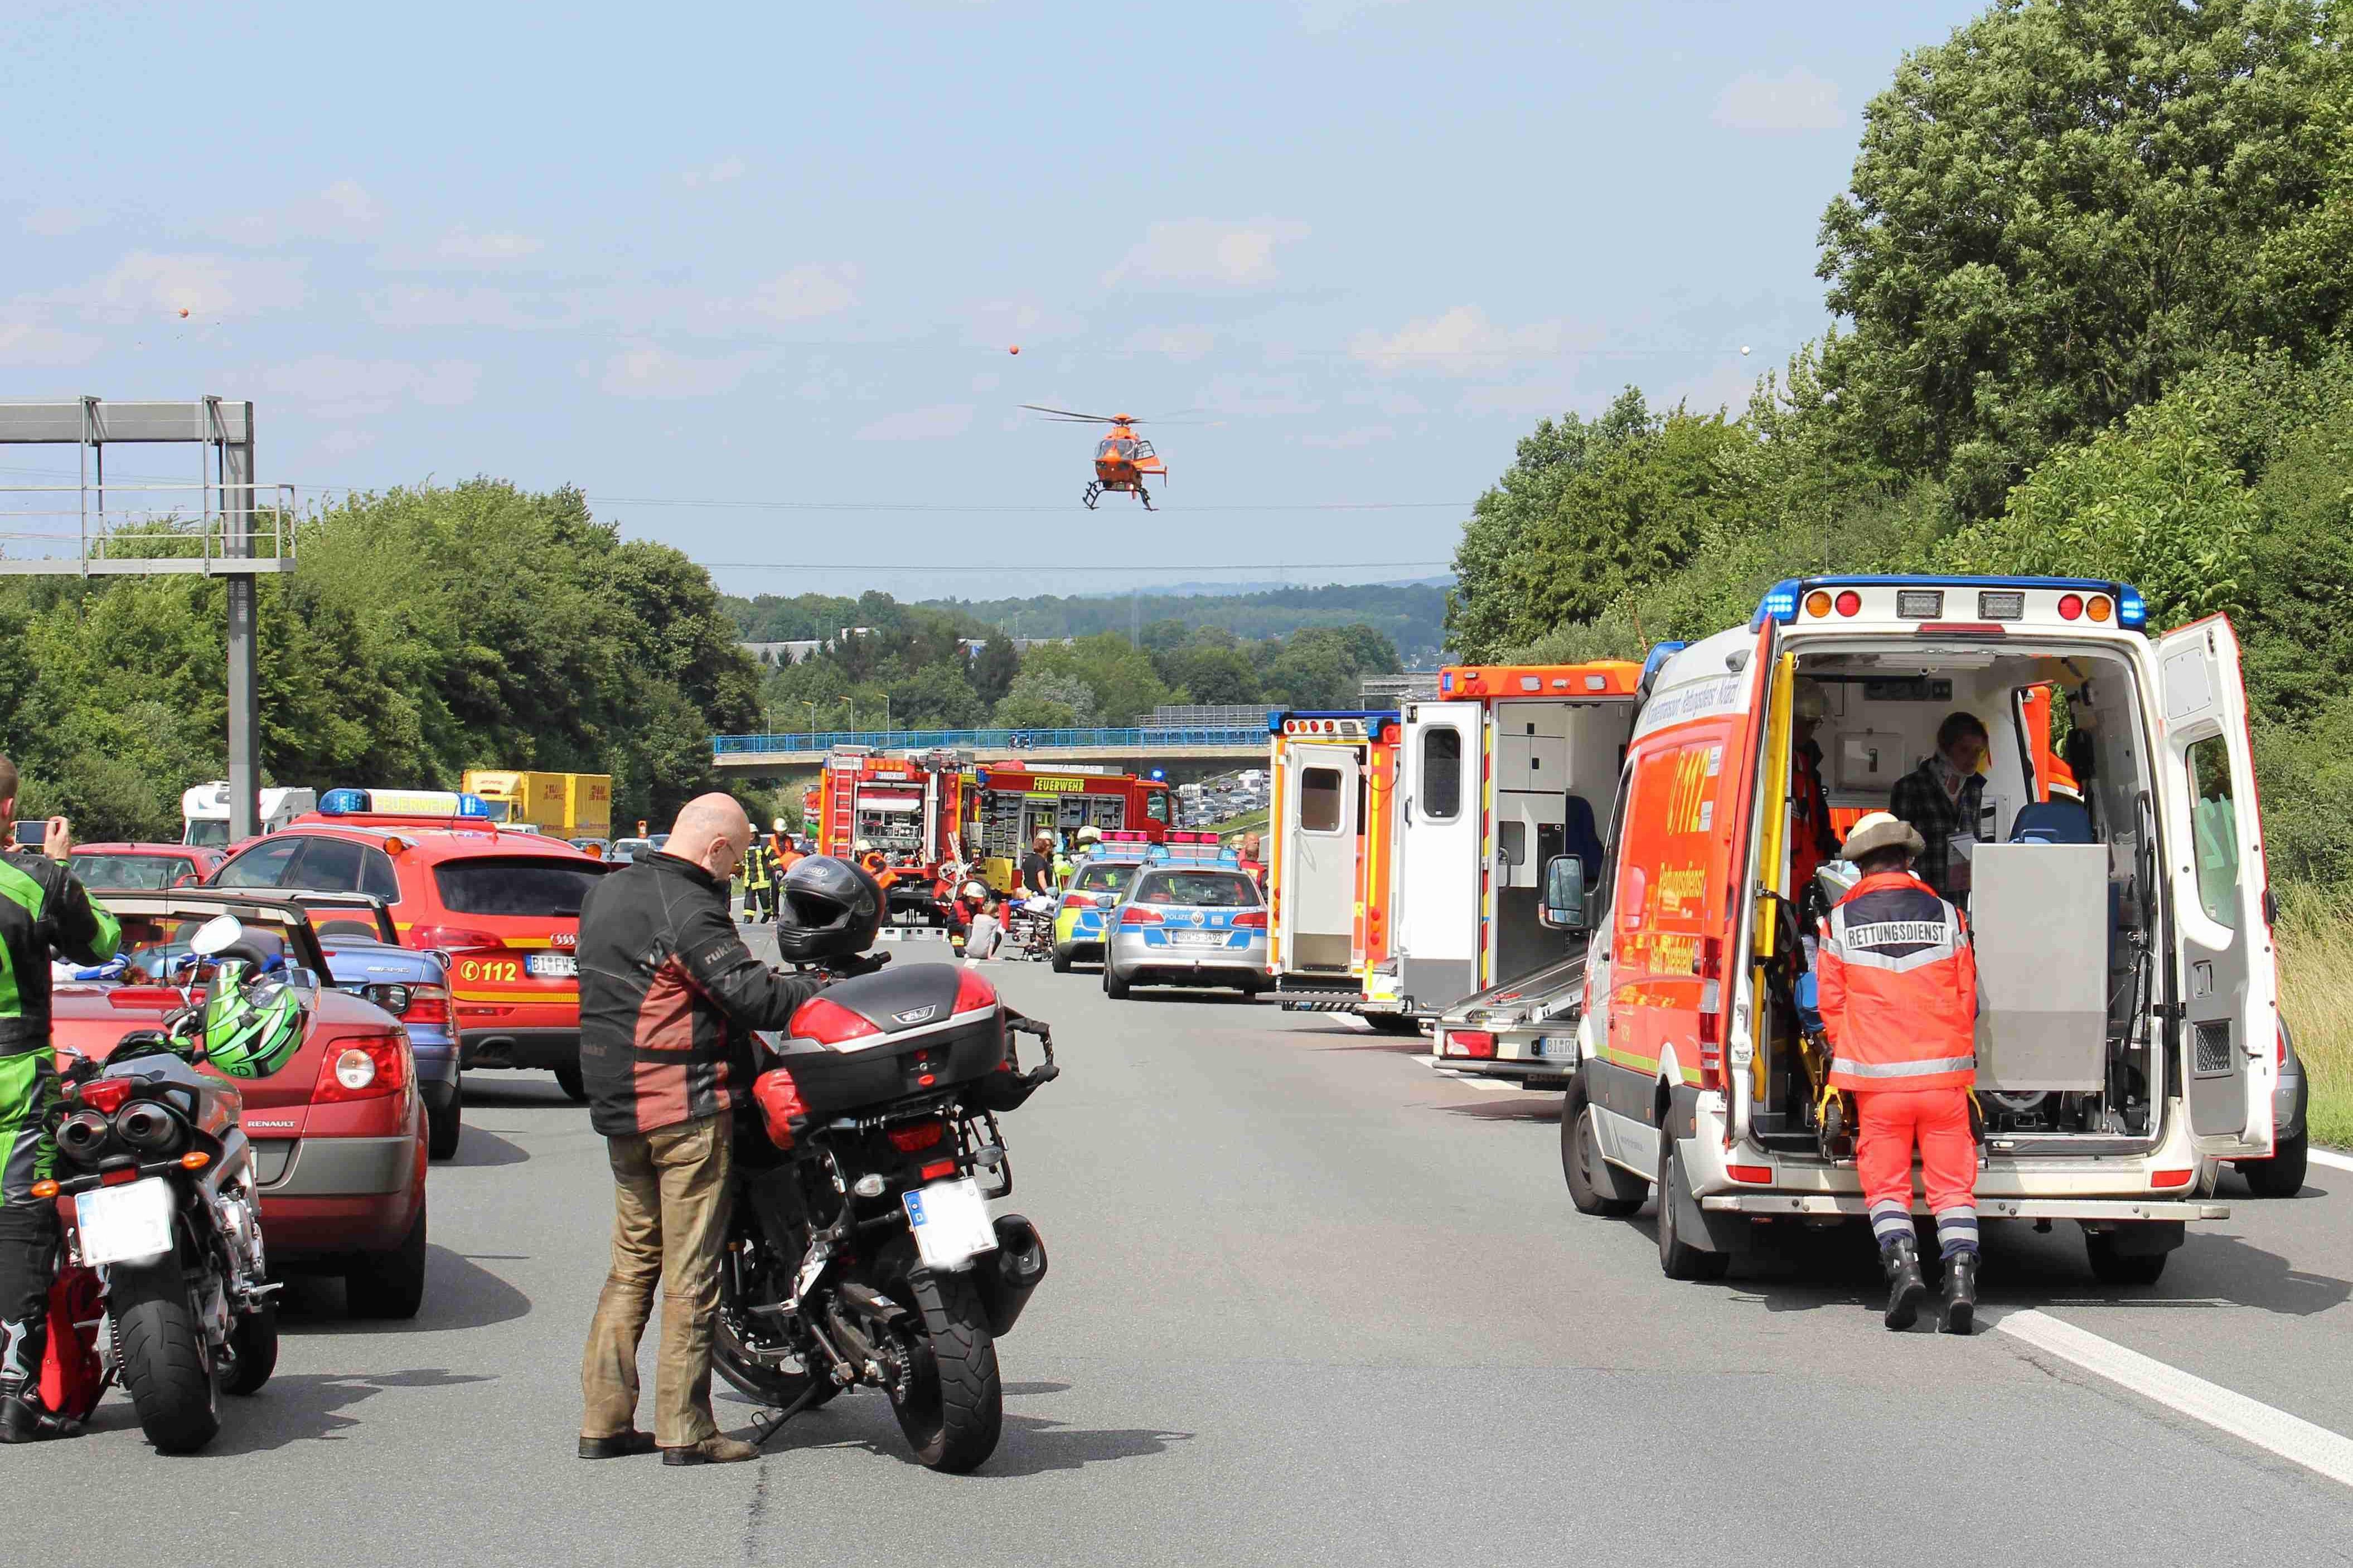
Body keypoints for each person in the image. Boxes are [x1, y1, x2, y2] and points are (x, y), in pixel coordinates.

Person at [575, 794, 831, 1467]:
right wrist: (819, 990)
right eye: (738, 855)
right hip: (682, 1109)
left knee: (631, 1267)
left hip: (617, 1108)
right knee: (692, 1276)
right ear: (716, 848)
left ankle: (603, 1422)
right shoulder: (687, 905)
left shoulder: (608, 892)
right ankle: (685, 1430)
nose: (736, 868)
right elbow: (751, 996)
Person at [1815, 812, 1981, 1334]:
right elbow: (1968, 999)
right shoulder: (1949, 915)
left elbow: (1830, 1007)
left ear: (1860, 867)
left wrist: (1854, 1057)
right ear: (1909, 860)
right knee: (1953, 1189)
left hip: (1879, 1086)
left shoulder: (1838, 923)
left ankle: (1904, 1269)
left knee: (1886, 1188)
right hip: (1944, 1081)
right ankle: (1959, 1282)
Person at [0, 756, 121, 1441]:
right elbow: (101, 940)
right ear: (10, 812)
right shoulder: (37, 879)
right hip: (15, 1072)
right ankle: (13, 1396)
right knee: (22, 1225)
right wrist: (59, 865)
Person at [1889, 712, 1989, 905]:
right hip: (1919, 901)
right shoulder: (1910, 788)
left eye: (1978, 751)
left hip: (1960, 903)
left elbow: (1975, 847)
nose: (1973, 758)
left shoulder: (1973, 791)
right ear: (1945, 748)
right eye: (1965, 750)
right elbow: (1896, 855)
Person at [1789, 682, 1841, 895]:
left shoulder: (1806, 765)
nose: (1811, 730)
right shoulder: (1779, 764)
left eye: (1814, 724)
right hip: (1790, 874)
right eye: (1808, 723)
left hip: (1806, 871)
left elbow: (1816, 824)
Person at [740, 832, 773, 924]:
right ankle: (748, 917)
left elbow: (773, 856)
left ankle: (767, 914)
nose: (750, 836)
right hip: (750, 878)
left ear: (756, 834)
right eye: (749, 834)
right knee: (749, 897)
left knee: (765, 898)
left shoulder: (763, 844)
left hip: (763, 877)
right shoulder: (743, 845)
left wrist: (779, 868)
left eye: (752, 834)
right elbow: (738, 859)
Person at [1019, 831, 1053, 897]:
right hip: (1039, 896)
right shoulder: (1041, 861)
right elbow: (1041, 878)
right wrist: (1048, 894)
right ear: (1046, 848)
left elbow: (1023, 876)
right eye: (1050, 846)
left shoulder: (1028, 859)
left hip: (1028, 894)